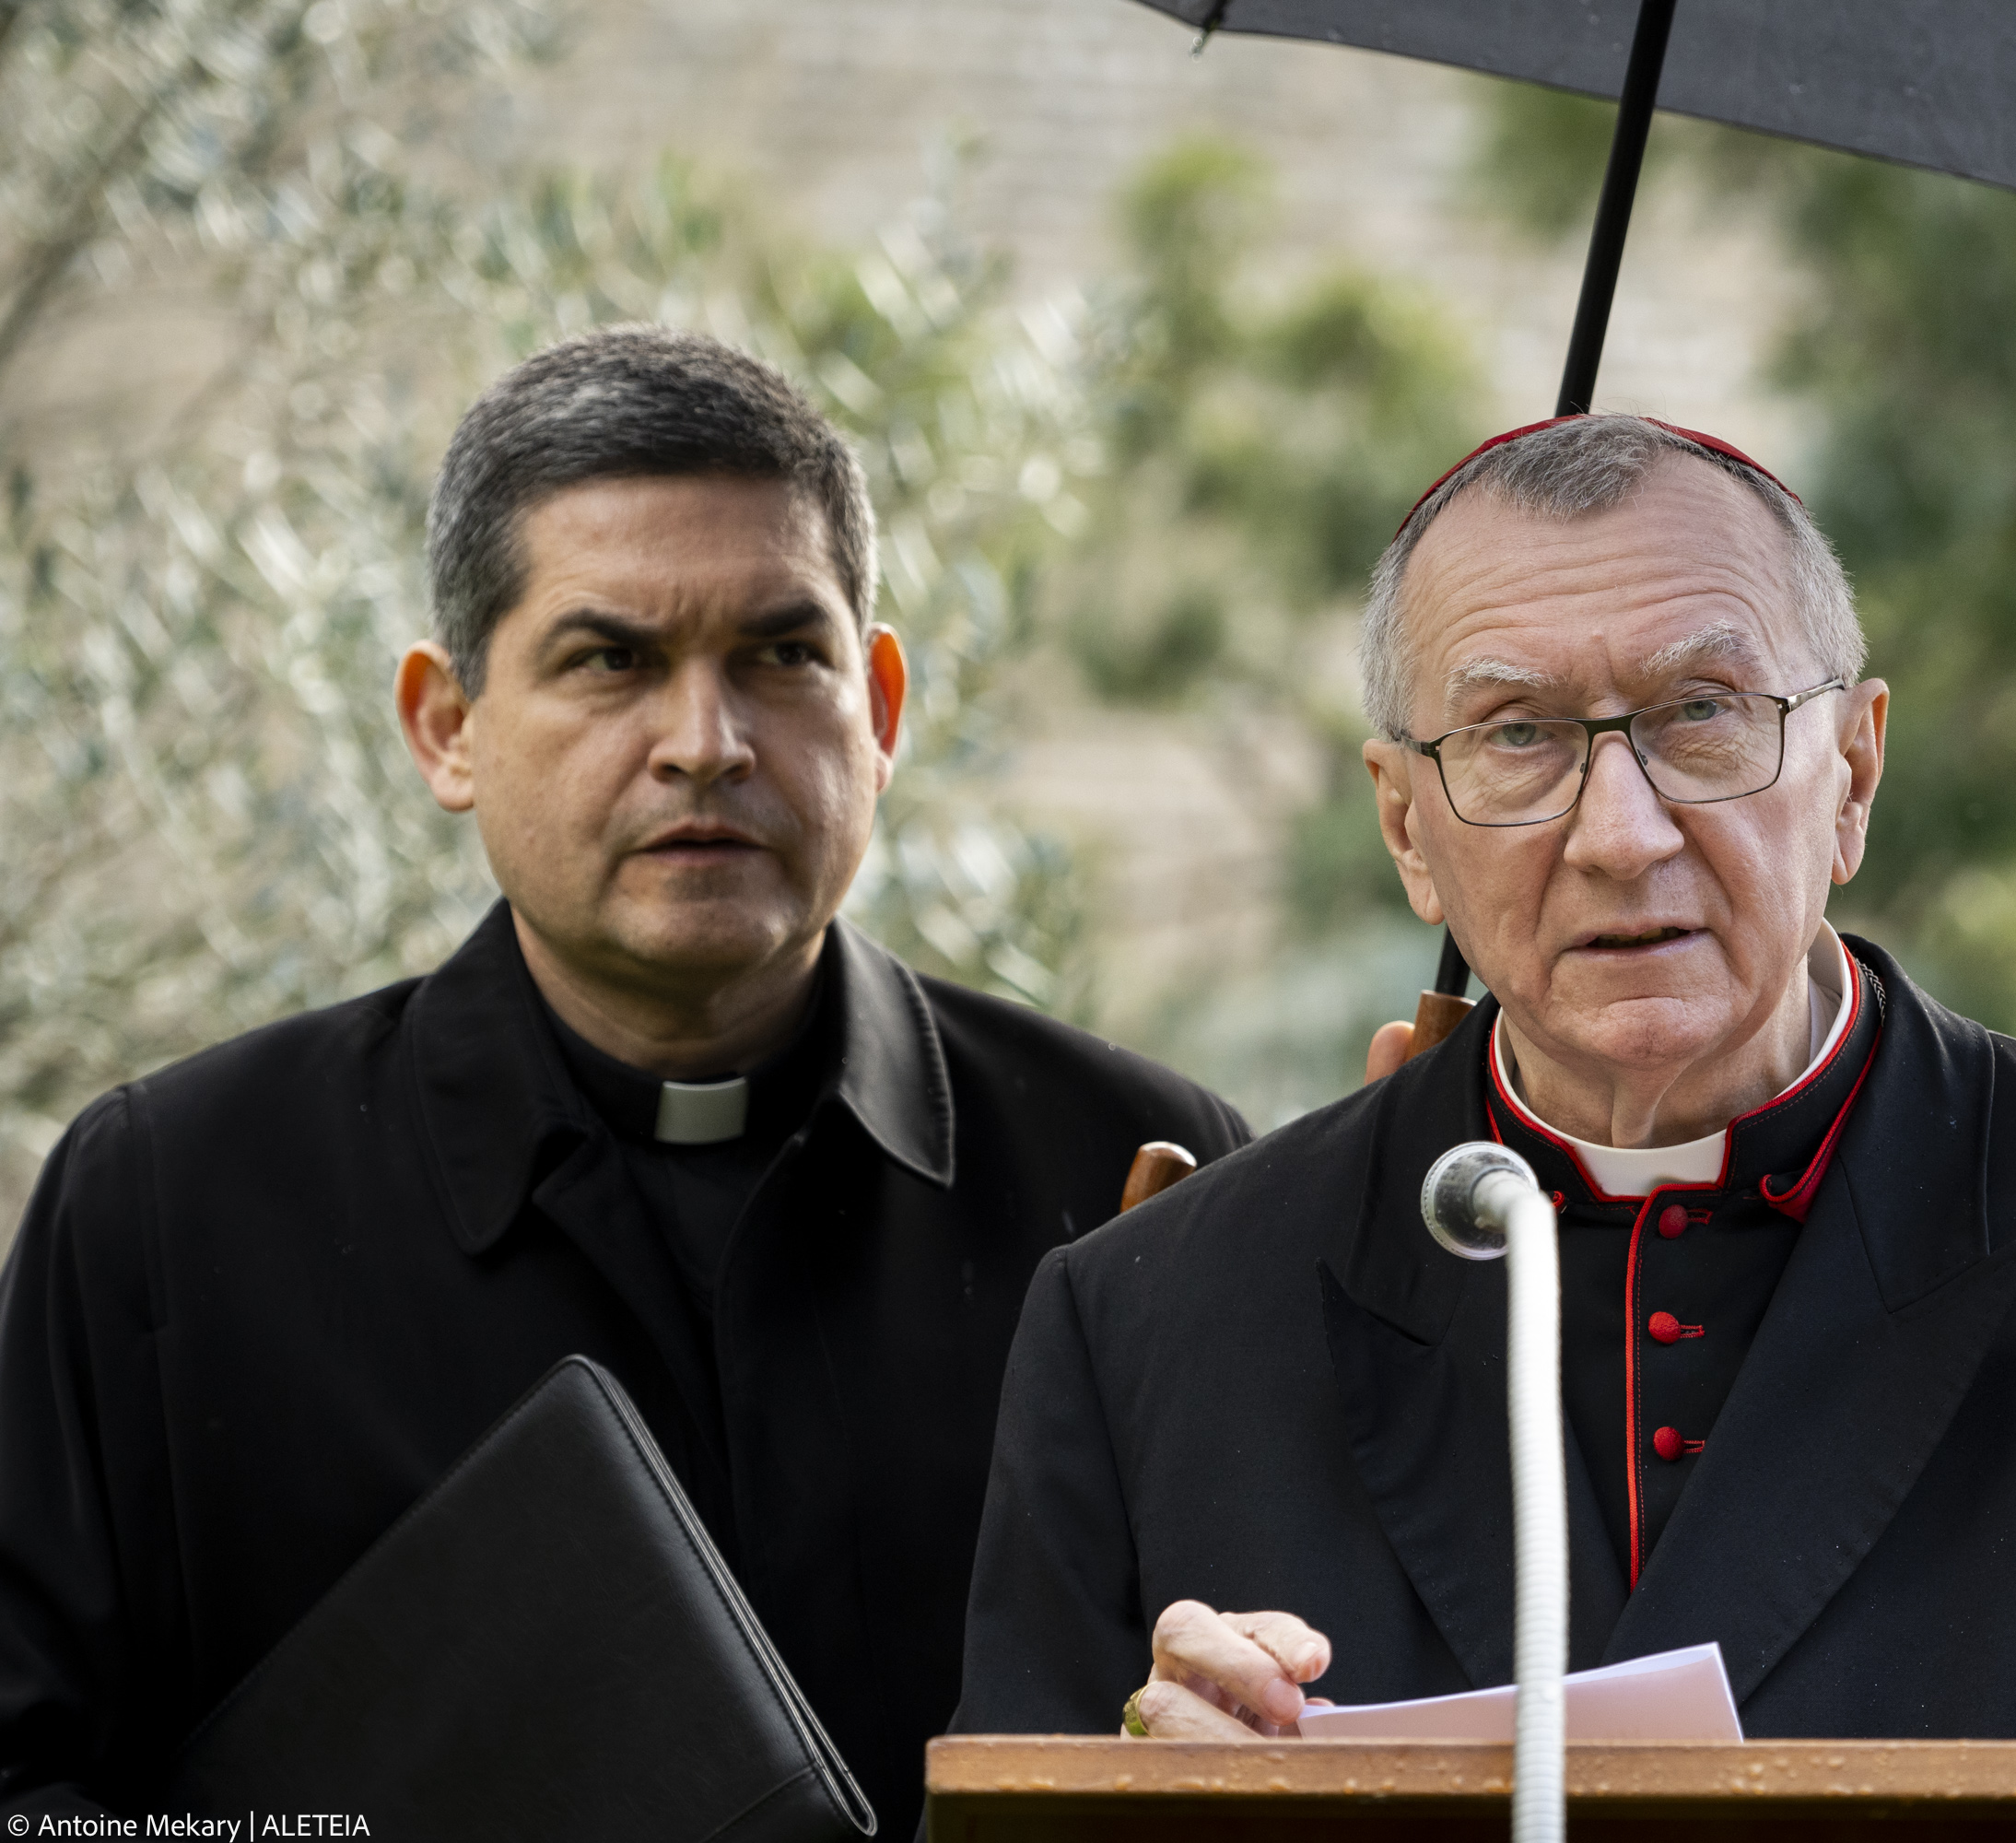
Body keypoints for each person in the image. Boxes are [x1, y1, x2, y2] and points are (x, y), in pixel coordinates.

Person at [953, 414, 2016, 1843]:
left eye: (1703, 713)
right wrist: (1137, 1822)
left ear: (1851, 771)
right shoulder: (1145, 1323)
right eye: (1517, 736)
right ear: (1405, 827)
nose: (1619, 832)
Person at [0, 325, 1247, 1836]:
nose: (705, 745)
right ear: (447, 728)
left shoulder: (1142, 1172)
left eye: (782, 656)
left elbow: (1300, 1715)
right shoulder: (168, 1209)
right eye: (611, 661)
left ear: (882, 711)